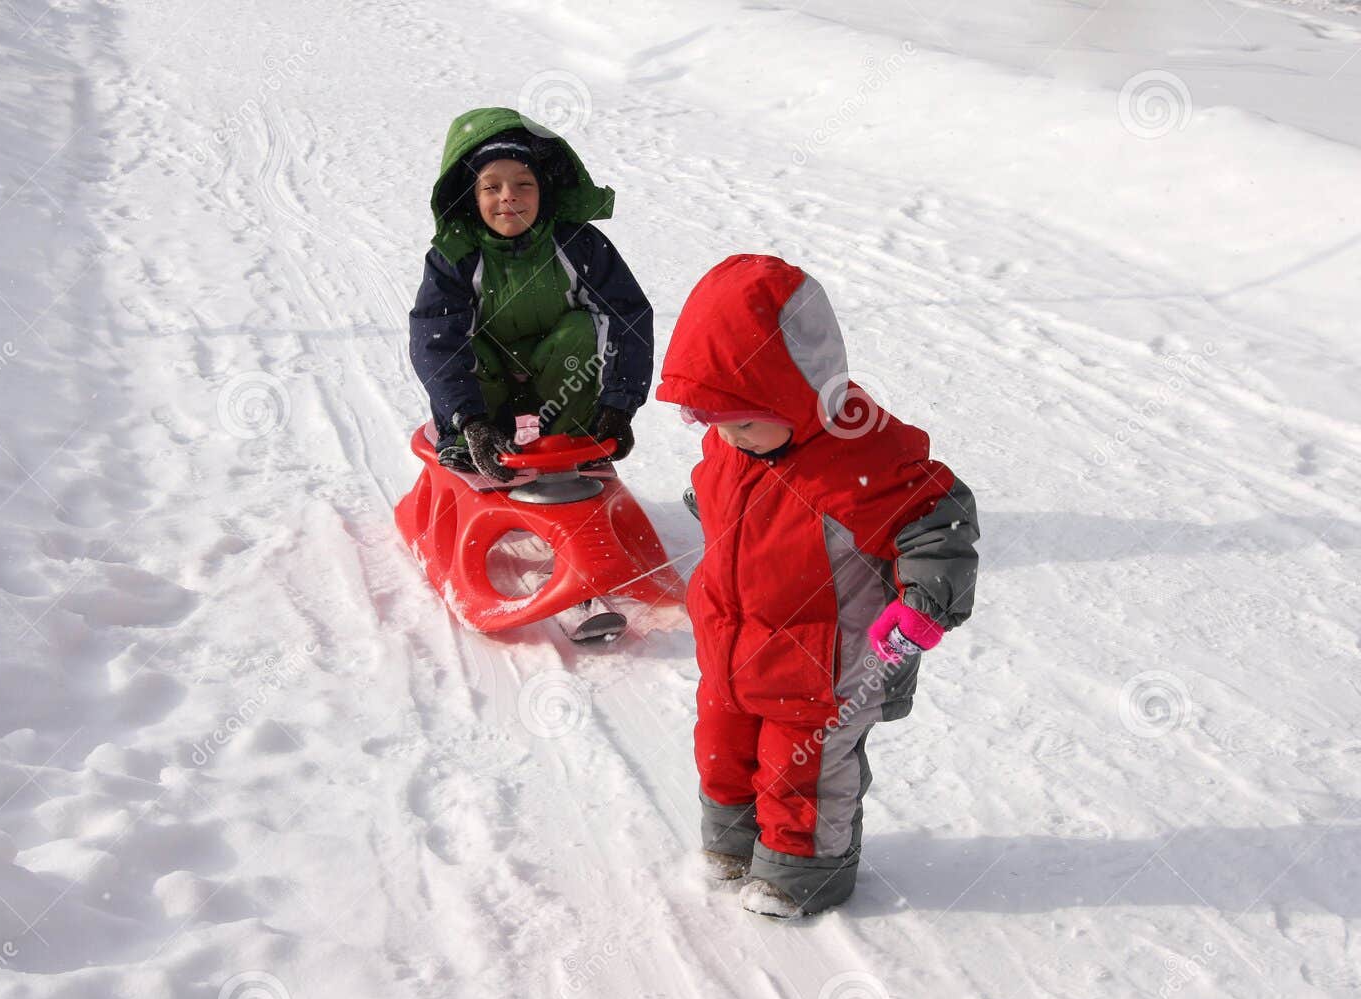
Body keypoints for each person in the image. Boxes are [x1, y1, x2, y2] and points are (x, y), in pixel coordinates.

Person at [657, 254, 980, 919]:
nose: (729, 437)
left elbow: (936, 523)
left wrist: (923, 602)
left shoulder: (864, 453)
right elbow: (725, 490)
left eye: (744, 420)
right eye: (714, 421)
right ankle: (733, 845)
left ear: (798, 389)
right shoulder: (736, 443)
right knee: (722, 749)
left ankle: (803, 871)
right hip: (731, 646)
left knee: (799, 771)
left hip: (823, 667)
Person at [409, 108, 653, 482]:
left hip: (557, 376)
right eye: (491, 187)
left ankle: (576, 438)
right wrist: (470, 419)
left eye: (524, 184)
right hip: (487, 388)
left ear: (543, 190)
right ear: (472, 197)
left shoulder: (577, 244)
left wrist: (619, 406)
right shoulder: (454, 256)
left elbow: (625, 317)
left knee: (582, 329)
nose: (509, 197)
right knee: (460, 341)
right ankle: (470, 440)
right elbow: (435, 342)